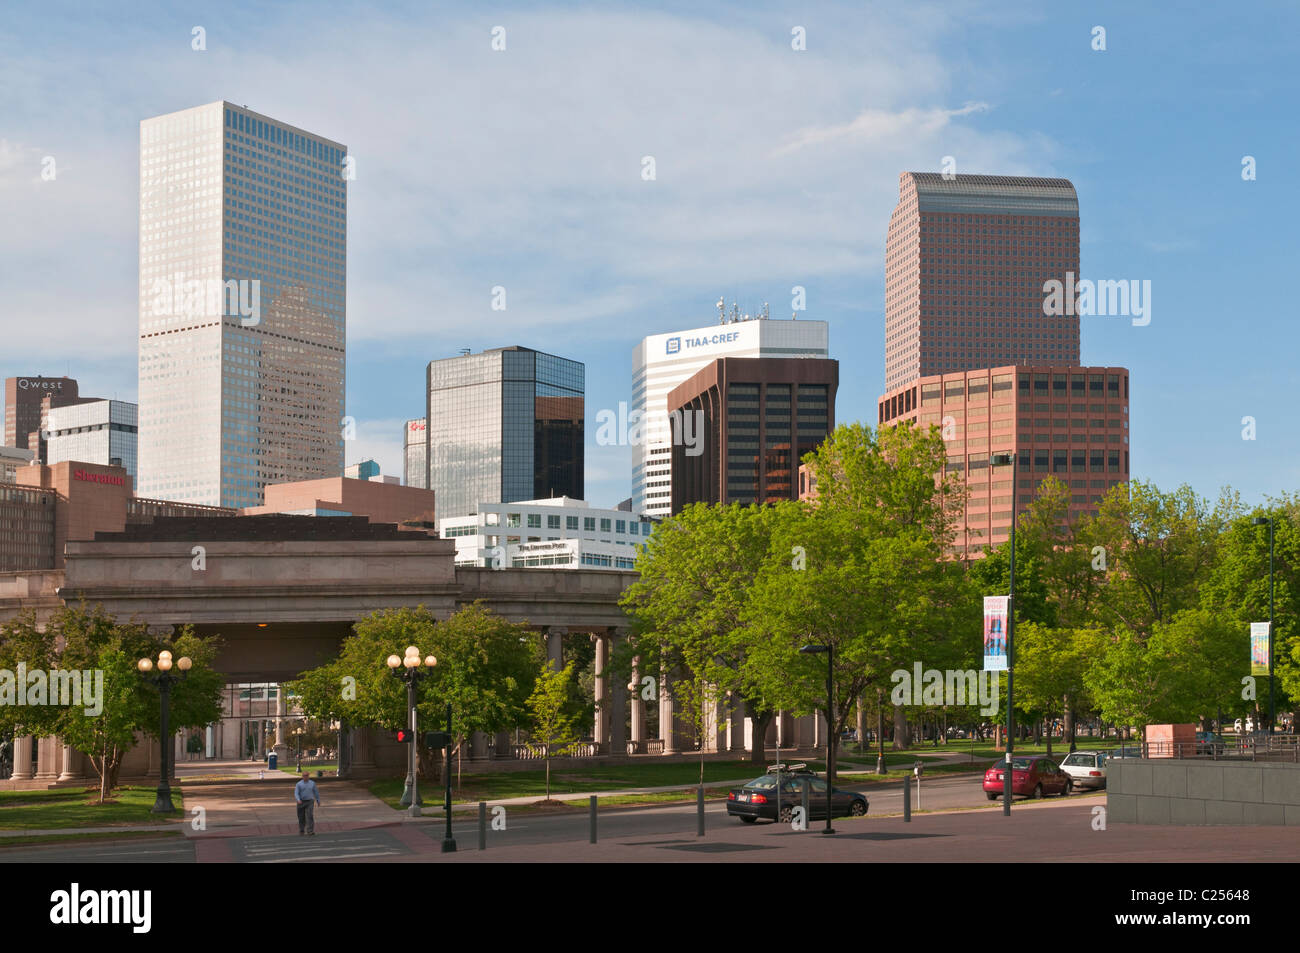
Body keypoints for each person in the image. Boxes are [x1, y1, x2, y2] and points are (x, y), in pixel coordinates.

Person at [295, 770, 321, 835]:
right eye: (304, 776)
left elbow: (316, 792)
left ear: (308, 776)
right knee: (301, 817)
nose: (305, 777)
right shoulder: (299, 784)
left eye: (307, 775)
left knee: (309, 816)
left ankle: (310, 830)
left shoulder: (312, 783)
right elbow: (296, 793)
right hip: (301, 802)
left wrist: (318, 800)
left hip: (310, 801)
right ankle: (301, 830)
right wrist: (298, 799)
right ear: (302, 776)